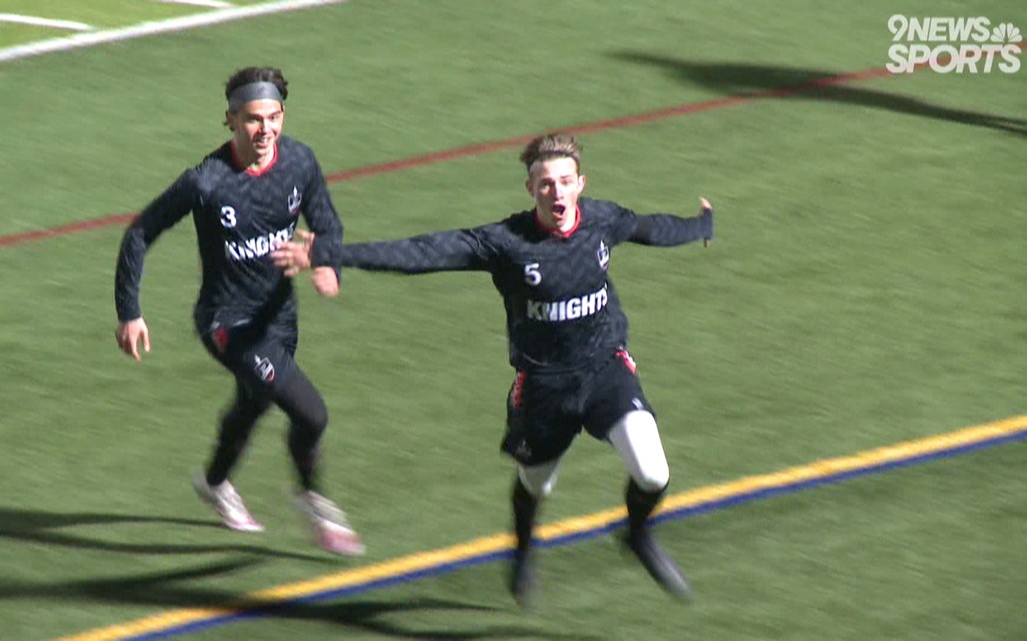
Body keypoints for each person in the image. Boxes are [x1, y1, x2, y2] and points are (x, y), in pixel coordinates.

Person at [274, 133, 713, 604]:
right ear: (530, 189)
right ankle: (523, 547)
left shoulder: (603, 221)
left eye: (566, 182)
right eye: (546, 184)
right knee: (536, 484)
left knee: (653, 473)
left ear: (581, 184)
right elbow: (421, 253)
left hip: (606, 370)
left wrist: (701, 225)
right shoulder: (505, 243)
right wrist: (329, 252)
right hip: (544, 389)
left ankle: (637, 534)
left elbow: (650, 228)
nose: (557, 193)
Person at [113, 66, 363, 556]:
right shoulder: (206, 182)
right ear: (229, 120)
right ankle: (314, 500)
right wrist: (130, 311)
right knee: (311, 413)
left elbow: (328, 225)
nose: (265, 129)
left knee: (256, 402)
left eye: (273, 117)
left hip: (279, 318)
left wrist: (326, 264)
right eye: (252, 119)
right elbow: (140, 232)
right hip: (226, 321)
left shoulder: (300, 164)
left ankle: (215, 483)